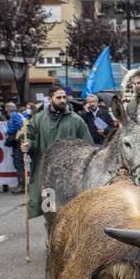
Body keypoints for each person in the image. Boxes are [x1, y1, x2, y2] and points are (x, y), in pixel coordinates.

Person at [22, 87, 91, 218]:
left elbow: (88, 145)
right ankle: (50, 238)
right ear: (50, 99)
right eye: (58, 98)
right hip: (46, 176)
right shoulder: (38, 119)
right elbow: (29, 137)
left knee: (70, 213)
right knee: (50, 214)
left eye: (64, 97)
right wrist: (28, 145)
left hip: (70, 176)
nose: (62, 100)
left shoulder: (76, 120)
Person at [3, 102, 26, 193]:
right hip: (18, 142)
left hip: (18, 142)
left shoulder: (14, 115)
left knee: (18, 162)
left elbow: (18, 125)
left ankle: (22, 185)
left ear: (7, 109)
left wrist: (8, 131)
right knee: (18, 162)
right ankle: (22, 184)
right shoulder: (17, 114)